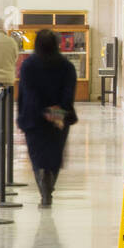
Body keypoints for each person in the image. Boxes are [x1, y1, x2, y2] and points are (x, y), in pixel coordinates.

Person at [16, 29, 78, 208]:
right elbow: (69, 93)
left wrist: (22, 115)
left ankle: (43, 185)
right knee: (54, 153)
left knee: (36, 155)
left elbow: (25, 94)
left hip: (33, 117)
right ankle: (49, 182)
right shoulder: (66, 66)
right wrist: (60, 110)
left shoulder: (28, 66)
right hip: (57, 118)